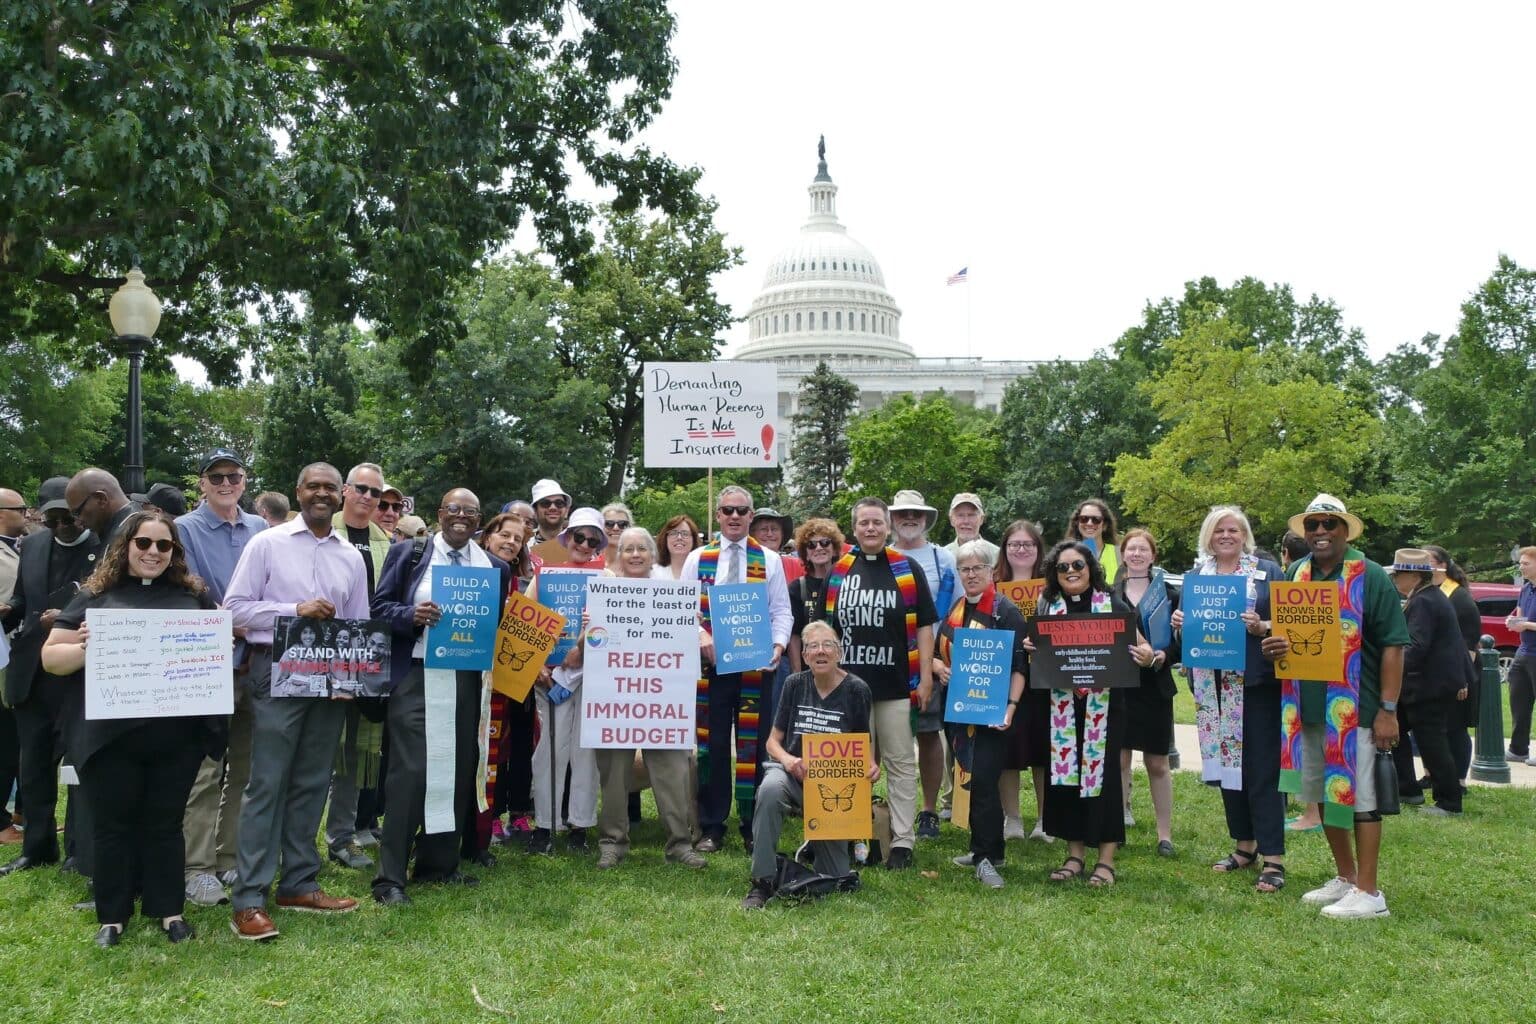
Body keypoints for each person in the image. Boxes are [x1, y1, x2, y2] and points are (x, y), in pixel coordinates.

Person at [42, 510, 225, 946]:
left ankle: (169, 911)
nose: (154, 553)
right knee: (112, 825)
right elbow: (52, 658)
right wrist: (88, 647)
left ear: (174, 553)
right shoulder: (95, 595)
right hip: (109, 738)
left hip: (175, 739)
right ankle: (112, 915)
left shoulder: (194, 596)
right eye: (144, 543)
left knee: (165, 824)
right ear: (126, 546)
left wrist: (218, 644)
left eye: (165, 546)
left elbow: (217, 646)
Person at [223, 463, 370, 940]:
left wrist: (353, 679)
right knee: (266, 784)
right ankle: (249, 898)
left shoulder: (350, 556)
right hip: (275, 674)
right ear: (299, 491)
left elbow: (357, 626)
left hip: (329, 681)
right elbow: (234, 611)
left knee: (311, 781)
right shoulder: (267, 543)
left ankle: (300, 883)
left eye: (331, 487)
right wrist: (294, 609)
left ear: (341, 494)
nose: (322, 494)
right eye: (314, 486)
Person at [1263, 494, 1410, 919]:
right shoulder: (1297, 573)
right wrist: (1274, 644)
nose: (1321, 532)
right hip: (1305, 705)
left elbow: (1394, 646)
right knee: (1325, 794)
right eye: (1313, 526)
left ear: (1346, 530)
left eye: (1330, 524)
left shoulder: (1371, 577)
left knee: (1360, 798)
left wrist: (1387, 709)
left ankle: (1370, 891)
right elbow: (1289, 634)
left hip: (1355, 708)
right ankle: (1345, 876)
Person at [370, 489, 512, 905]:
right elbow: (379, 608)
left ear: (479, 519)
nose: (461, 517)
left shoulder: (495, 568)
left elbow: (496, 621)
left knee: (457, 766)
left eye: (470, 511)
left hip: (467, 675)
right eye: (454, 509)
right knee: (411, 772)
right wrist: (410, 616)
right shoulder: (410, 554)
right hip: (417, 672)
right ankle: (389, 878)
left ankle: (439, 864)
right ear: (439, 514)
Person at [1173, 507, 1287, 892]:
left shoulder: (1267, 573)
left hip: (1255, 685)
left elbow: (1287, 623)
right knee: (1227, 769)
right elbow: (1187, 641)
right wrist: (1180, 627)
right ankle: (1244, 846)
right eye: (1219, 530)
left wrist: (1262, 626)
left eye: (1233, 530)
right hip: (1211, 689)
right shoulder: (1195, 579)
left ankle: (1273, 858)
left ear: (1245, 535)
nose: (1226, 535)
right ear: (1208, 537)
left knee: (1261, 770)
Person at [1029, 540, 1153, 887]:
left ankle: (1106, 861)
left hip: (1105, 706)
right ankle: (1075, 855)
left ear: (1091, 569)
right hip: (1062, 708)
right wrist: (1032, 647)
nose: (1071, 572)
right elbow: (1039, 653)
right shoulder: (1047, 607)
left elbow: (1142, 645)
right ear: (1054, 574)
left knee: (1104, 780)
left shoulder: (1110, 602)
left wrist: (1146, 655)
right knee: (1065, 778)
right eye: (1063, 567)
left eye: (1077, 566)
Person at [174, 448, 268, 906]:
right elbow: (189, 589)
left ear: (245, 481)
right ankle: (198, 867)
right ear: (203, 483)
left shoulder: (260, 529)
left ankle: (229, 857)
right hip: (209, 661)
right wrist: (235, 622)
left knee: (247, 768)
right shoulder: (183, 529)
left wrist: (257, 626)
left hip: (258, 661)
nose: (226, 483)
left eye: (234, 475)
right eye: (217, 476)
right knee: (207, 768)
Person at [822, 496, 937, 870]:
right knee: (854, 765)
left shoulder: (906, 568)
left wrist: (925, 679)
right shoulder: (839, 570)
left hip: (895, 685)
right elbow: (827, 631)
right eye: (863, 523)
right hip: (849, 689)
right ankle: (856, 837)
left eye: (877, 522)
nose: (870, 528)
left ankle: (902, 841)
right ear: (853, 528)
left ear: (887, 527)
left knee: (901, 763)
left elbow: (923, 624)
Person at [680, 486, 793, 853]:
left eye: (741, 511)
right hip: (710, 668)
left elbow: (781, 611)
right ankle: (713, 825)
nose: (733, 516)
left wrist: (777, 646)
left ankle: (750, 822)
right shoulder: (699, 558)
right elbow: (683, 607)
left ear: (750, 516)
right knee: (711, 745)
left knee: (753, 746)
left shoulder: (769, 560)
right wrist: (700, 636)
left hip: (756, 668)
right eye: (727, 510)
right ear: (717, 515)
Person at [0, 478, 103, 881]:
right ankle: (37, 846)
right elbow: (27, 598)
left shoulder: (102, 547)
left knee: (79, 767)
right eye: (53, 519)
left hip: (77, 674)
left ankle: (78, 851)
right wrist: (13, 610)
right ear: (38, 517)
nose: (63, 526)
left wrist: (65, 617)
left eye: (69, 517)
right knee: (35, 766)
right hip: (32, 673)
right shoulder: (35, 545)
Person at [593, 528, 706, 870]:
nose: (636, 554)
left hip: (662, 696)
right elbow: (593, 645)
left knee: (672, 766)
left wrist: (693, 624)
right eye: (628, 549)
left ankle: (679, 843)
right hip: (615, 695)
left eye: (642, 548)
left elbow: (688, 646)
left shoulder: (671, 594)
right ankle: (613, 842)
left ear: (652, 555)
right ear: (620, 555)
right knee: (613, 770)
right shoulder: (604, 595)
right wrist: (591, 628)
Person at [742, 621, 876, 909]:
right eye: (813, 647)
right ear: (804, 656)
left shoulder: (857, 690)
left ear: (839, 652)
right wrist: (789, 761)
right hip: (792, 776)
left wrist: (871, 767)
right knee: (769, 790)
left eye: (827, 645)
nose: (820, 651)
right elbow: (772, 743)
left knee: (836, 878)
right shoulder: (794, 684)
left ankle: (814, 851)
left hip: (832, 787)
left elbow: (863, 747)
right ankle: (762, 881)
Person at [936, 542, 1028, 889]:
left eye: (977, 568)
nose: (971, 575)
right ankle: (986, 849)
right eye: (965, 569)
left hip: (992, 713)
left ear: (992, 571)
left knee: (985, 781)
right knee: (971, 779)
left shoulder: (1006, 612)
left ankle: (987, 858)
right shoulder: (957, 609)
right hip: (959, 711)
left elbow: (1020, 667)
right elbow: (938, 654)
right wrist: (939, 668)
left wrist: (1010, 708)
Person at [323, 462, 395, 875]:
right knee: (317, 753)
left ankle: (341, 836)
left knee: (354, 754)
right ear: (345, 491)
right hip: (320, 658)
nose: (369, 498)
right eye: (362, 490)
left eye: (377, 494)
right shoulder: (321, 533)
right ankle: (294, 843)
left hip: (368, 660)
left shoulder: (389, 543)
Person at [526, 506, 608, 854]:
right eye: (580, 536)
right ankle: (545, 825)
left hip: (589, 676)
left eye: (593, 540)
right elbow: (525, 620)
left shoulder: (607, 577)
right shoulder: (544, 574)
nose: (585, 545)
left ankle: (580, 826)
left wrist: (581, 647)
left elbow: (609, 629)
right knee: (549, 751)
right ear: (567, 537)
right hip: (551, 677)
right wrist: (536, 666)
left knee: (585, 752)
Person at [888, 490, 956, 841]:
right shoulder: (878, 555)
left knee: (929, 734)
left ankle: (928, 809)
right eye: (902, 514)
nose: (909, 519)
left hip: (928, 660)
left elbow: (956, 610)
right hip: (885, 660)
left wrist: (938, 659)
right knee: (881, 738)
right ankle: (883, 806)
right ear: (893, 519)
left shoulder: (941, 558)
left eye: (916, 513)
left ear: (926, 518)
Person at [1112, 528, 1178, 855]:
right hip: (1120, 688)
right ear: (1123, 555)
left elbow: (1181, 642)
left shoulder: (1168, 593)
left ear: (1153, 556)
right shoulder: (1109, 594)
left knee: (1157, 763)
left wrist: (1162, 655)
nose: (1137, 554)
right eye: (1131, 549)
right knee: (1120, 760)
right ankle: (1117, 825)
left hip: (1155, 688)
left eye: (1143, 549)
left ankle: (1164, 835)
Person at [1385, 549, 1465, 816]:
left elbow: (1416, 647)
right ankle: (1407, 789)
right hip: (1424, 685)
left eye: (1398, 575)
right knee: (1392, 732)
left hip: (1429, 686)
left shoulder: (1425, 602)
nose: (1395, 580)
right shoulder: (1426, 598)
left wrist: (1390, 669)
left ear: (1415, 576)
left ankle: (1449, 802)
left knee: (1432, 742)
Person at [477, 512, 538, 843]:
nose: (511, 542)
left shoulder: (527, 582)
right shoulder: (474, 574)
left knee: (520, 742)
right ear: (488, 536)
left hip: (520, 675)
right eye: (505, 535)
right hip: (483, 676)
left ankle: (519, 811)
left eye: (518, 538)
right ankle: (491, 813)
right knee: (491, 745)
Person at [992, 519, 1051, 842]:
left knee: (1044, 751)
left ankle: (1045, 820)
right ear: (1004, 549)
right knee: (1009, 751)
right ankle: (1012, 819)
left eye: (1027, 544)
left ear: (1038, 549)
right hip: (1005, 677)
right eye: (1014, 544)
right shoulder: (993, 584)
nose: (1021, 549)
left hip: (1045, 679)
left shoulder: (1053, 585)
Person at [1424, 544, 1480, 785]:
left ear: (1442, 566)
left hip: (1458, 675)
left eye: (1427, 561)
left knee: (1455, 729)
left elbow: (1468, 646)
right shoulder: (1432, 594)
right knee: (1435, 727)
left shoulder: (1459, 598)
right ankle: (1431, 775)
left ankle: (1458, 780)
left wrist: (1462, 679)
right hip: (1435, 675)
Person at [788, 518, 844, 672]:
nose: (819, 548)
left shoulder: (848, 583)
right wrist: (798, 675)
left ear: (834, 548)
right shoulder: (797, 588)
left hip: (844, 670)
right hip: (810, 670)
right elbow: (794, 635)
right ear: (805, 554)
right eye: (811, 545)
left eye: (825, 542)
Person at [1505, 546, 1536, 766]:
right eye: (1520, 563)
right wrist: (1512, 620)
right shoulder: (1525, 589)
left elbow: (1525, 621)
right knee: (1518, 701)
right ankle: (1518, 750)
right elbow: (1519, 614)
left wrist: (1525, 624)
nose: (1521, 567)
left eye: (1526, 564)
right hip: (1523, 652)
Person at [64, 468, 138, 546]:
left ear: (101, 499)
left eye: (78, 512)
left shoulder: (135, 533)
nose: (78, 522)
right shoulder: (124, 529)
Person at [1064, 497, 1120, 585]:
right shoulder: (1064, 556)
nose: (1089, 523)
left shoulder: (1120, 554)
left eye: (1096, 519)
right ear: (1077, 523)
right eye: (1084, 519)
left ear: (1105, 525)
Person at [750, 507, 803, 583]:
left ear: (782, 534)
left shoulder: (796, 565)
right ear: (752, 534)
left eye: (774, 529)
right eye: (764, 529)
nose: (770, 534)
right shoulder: (741, 565)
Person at [945, 492, 998, 565]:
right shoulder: (942, 557)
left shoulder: (998, 555)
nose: (966, 521)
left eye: (971, 515)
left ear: (981, 519)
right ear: (951, 520)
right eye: (960, 515)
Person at [528, 479, 572, 566]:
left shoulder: (581, 545)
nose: (553, 507)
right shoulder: (522, 547)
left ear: (566, 511)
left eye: (559, 503)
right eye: (545, 503)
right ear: (535, 511)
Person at [653, 514, 702, 581]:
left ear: (694, 539)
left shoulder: (706, 572)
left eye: (685, 534)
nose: (679, 537)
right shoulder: (652, 573)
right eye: (673, 533)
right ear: (665, 539)